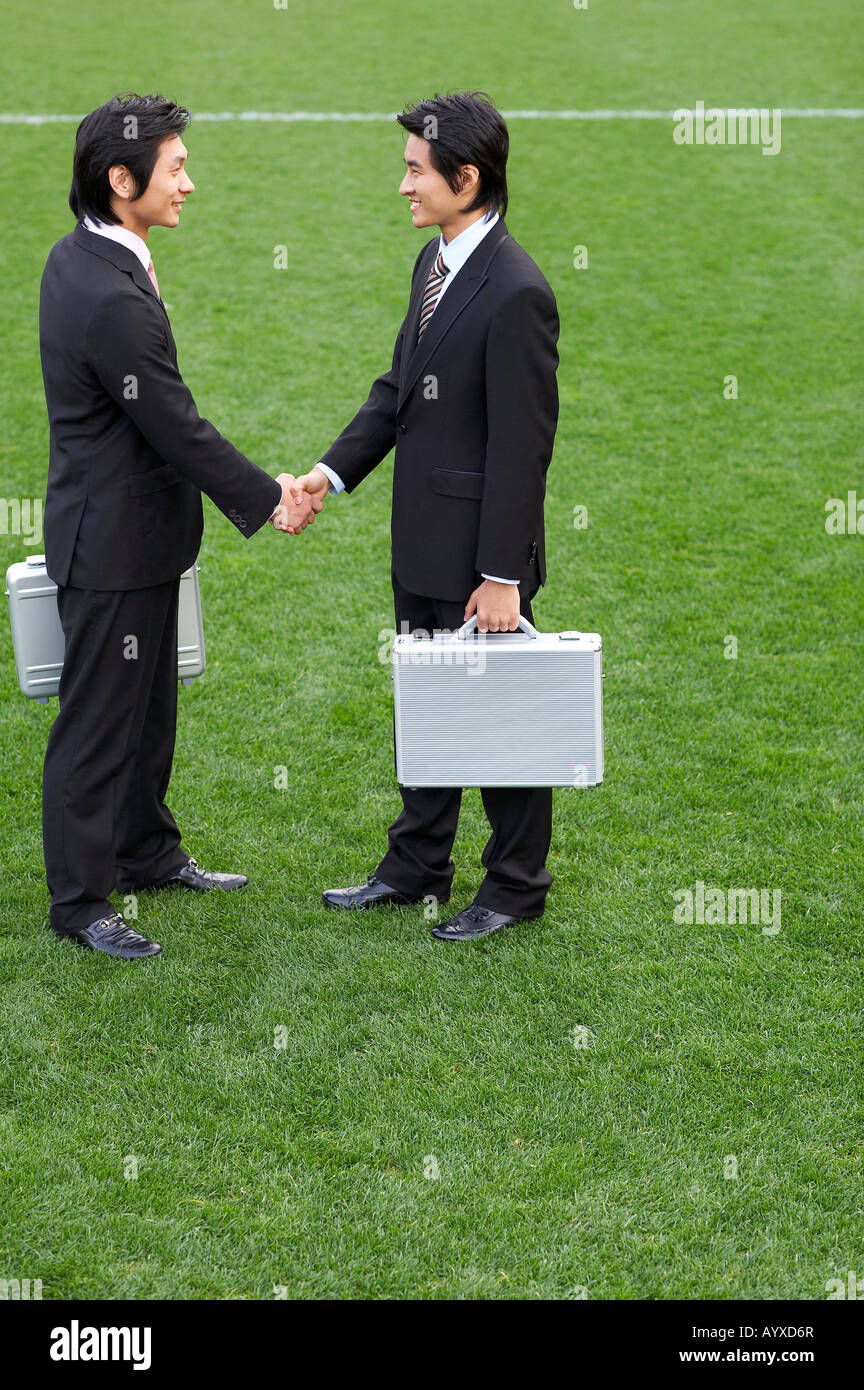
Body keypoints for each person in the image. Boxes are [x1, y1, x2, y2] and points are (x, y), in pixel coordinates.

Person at [39, 92, 316, 960]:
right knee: (96, 725)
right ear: (122, 180)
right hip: (114, 546)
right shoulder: (110, 298)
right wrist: (269, 496)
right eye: (177, 167)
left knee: (148, 711)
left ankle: (147, 853)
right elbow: (174, 425)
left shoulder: (81, 256)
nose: (190, 182)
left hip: (140, 537)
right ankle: (83, 904)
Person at [291, 92, 560, 942]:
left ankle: (516, 886)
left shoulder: (518, 291)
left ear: (465, 177)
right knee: (428, 706)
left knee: (502, 720)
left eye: (415, 170)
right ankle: (416, 867)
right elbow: (397, 391)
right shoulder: (436, 264)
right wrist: (328, 476)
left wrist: (501, 577)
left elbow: (524, 447)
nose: (403, 185)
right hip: (420, 543)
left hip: (480, 561)